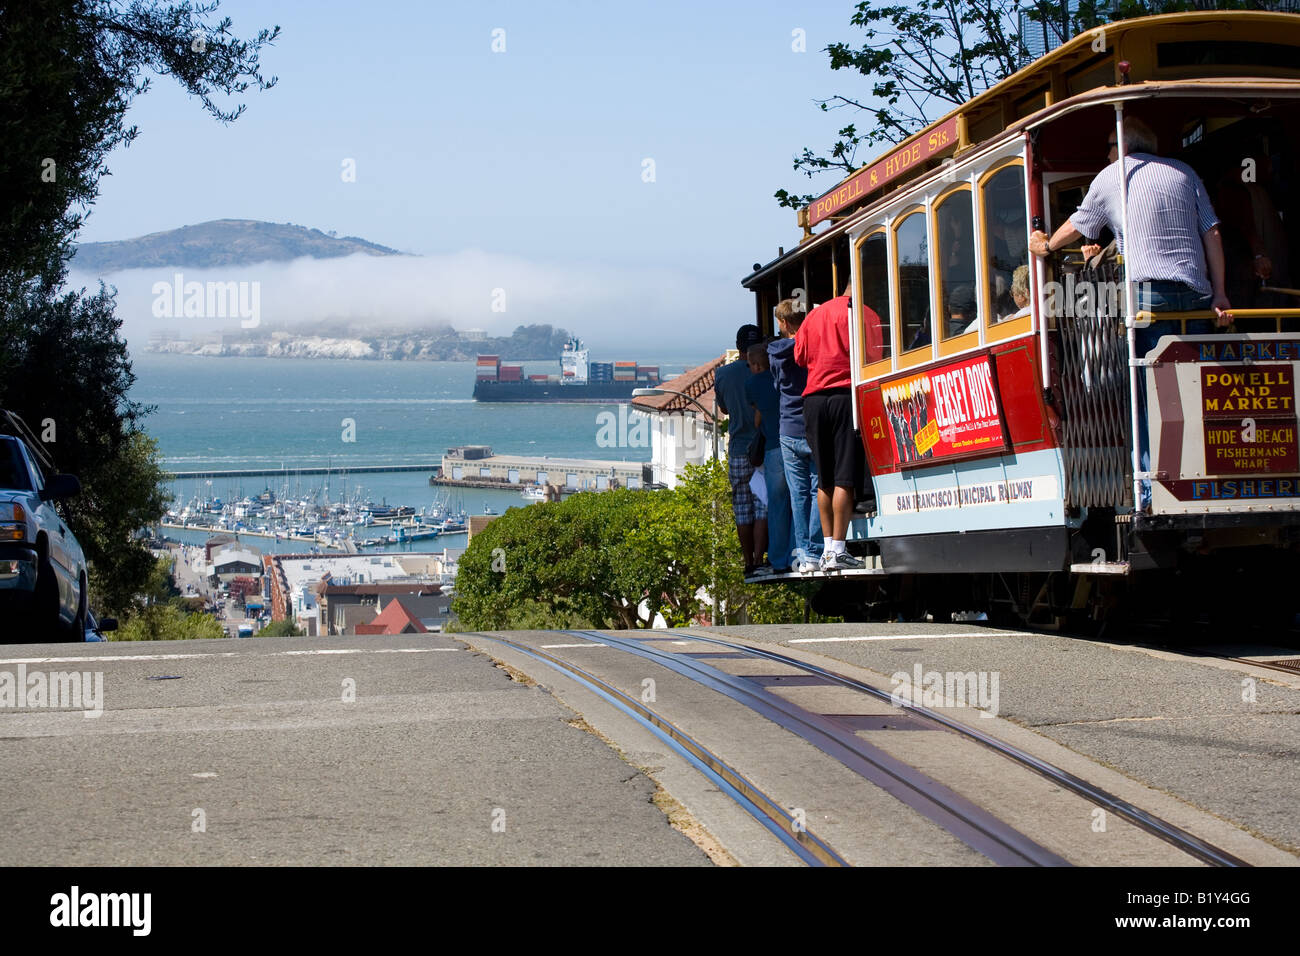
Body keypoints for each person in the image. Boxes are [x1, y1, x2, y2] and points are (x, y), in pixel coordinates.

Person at [1029, 116, 1231, 500]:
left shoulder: (1113, 176)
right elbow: (1212, 232)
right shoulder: (1185, 172)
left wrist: (1046, 246)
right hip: (1196, 296)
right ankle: (1208, 478)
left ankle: (1152, 491)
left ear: (1123, 145)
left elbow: (1077, 224)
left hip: (1148, 296)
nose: (1105, 153)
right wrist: (1220, 293)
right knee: (1197, 384)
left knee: (1146, 389)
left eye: (1108, 145)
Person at [795, 284, 874, 571]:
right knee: (845, 476)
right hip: (844, 395)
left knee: (824, 477)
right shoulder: (864, 313)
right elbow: (874, 356)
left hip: (813, 400)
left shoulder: (814, 317)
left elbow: (800, 357)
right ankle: (839, 549)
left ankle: (827, 547)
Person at [768, 299, 824, 573]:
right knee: (817, 488)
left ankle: (804, 553)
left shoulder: (774, 354)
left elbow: (777, 386)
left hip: (788, 429)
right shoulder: (813, 347)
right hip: (812, 424)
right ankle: (816, 549)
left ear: (783, 323)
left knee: (797, 493)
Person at [714, 324, 767, 575]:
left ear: (738, 347)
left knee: (743, 509)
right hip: (762, 448)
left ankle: (747, 562)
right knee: (762, 507)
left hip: (737, 450)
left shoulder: (722, 375)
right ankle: (759, 559)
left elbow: (724, 410)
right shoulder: (765, 371)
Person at [745, 341, 792, 575]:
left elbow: (757, 419)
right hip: (793, 440)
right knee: (800, 499)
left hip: (773, 448)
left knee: (777, 505)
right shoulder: (781, 377)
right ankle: (799, 552)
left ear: (754, 365)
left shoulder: (752, 383)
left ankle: (777, 558)